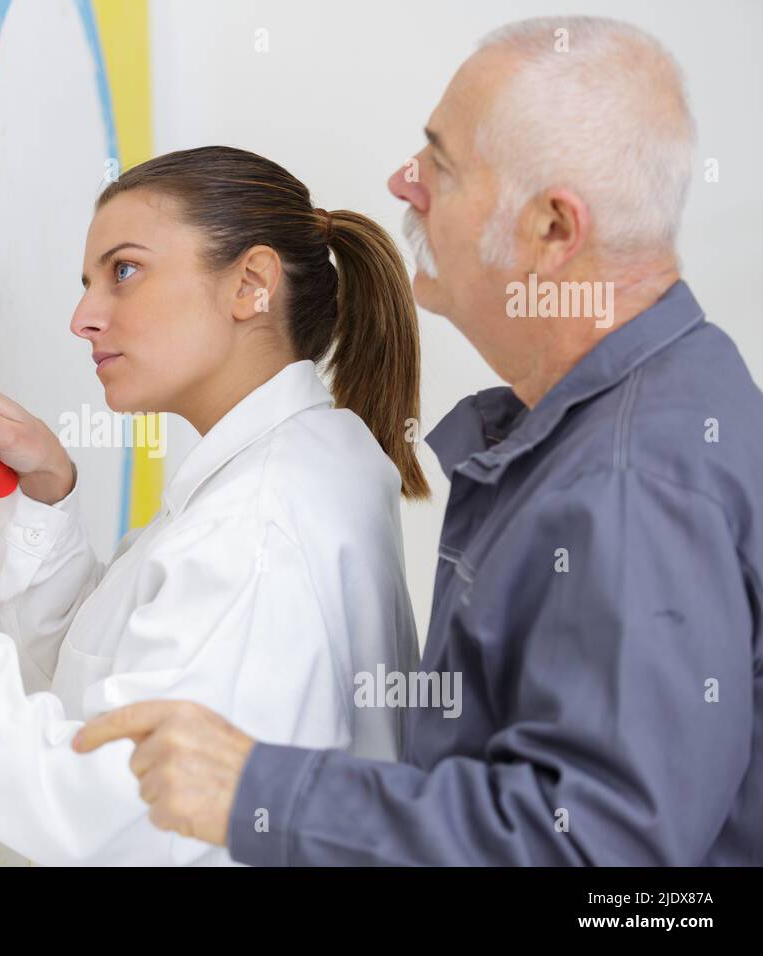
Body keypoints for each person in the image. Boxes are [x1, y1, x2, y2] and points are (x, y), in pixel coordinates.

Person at [74, 16, 763, 866]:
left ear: (553, 230)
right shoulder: (660, 397)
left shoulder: (631, 481)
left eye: (440, 162)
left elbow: (598, 859)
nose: (403, 183)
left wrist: (259, 791)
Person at [0, 145, 428, 865]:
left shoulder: (255, 526)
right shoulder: (308, 465)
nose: (83, 317)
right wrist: (49, 491)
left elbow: (115, 809)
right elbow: (98, 685)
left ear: (251, 284)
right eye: (89, 281)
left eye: (125, 271)